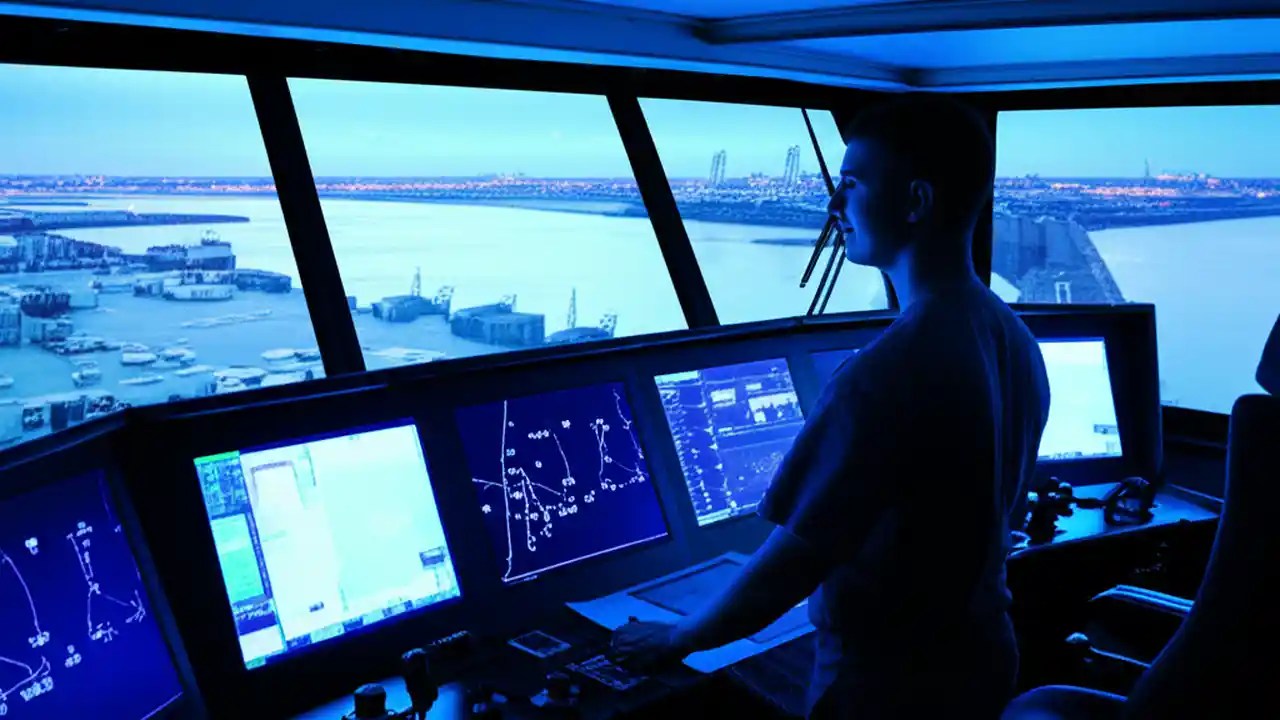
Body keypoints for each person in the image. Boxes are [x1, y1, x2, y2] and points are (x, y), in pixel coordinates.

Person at [610, 94, 1051, 718]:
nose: (833, 204)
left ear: (917, 201)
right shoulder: (1011, 336)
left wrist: (676, 638)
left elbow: (794, 563)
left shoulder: (884, 375)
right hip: (979, 659)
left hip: (890, 685)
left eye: (850, 184)